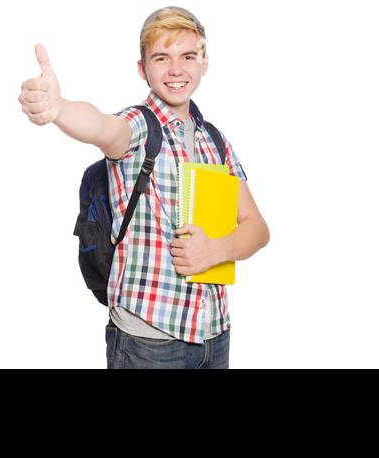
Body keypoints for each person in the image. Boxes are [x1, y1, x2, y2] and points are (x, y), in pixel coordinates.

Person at [18, 6, 268, 369]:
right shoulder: (139, 126)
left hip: (214, 335)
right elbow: (103, 127)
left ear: (204, 63)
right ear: (142, 68)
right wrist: (58, 108)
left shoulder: (215, 141)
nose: (176, 69)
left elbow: (257, 227)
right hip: (147, 338)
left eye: (187, 56)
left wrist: (218, 249)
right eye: (161, 58)